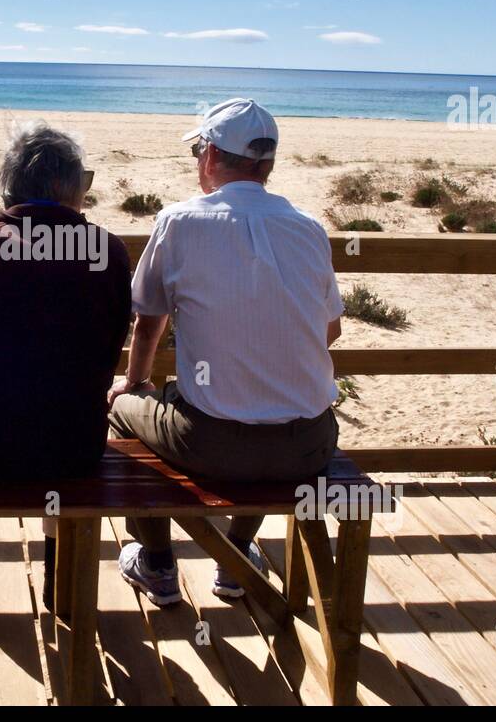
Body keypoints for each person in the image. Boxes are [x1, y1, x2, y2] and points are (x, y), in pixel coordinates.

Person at [107, 98, 344, 606]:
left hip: (213, 445)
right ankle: (235, 557)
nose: (197, 159)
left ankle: (156, 562)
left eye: (197, 149)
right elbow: (331, 331)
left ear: (211, 154)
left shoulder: (181, 222)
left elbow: (148, 321)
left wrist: (135, 383)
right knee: (260, 402)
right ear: (266, 164)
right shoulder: (308, 228)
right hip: (309, 444)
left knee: (122, 411)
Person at [0, 121, 132, 617]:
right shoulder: (106, 250)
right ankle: (55, 580)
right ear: (70, 188)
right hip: (71, 445)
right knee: (54, 426)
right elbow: (109, 350)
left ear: (12, 184)